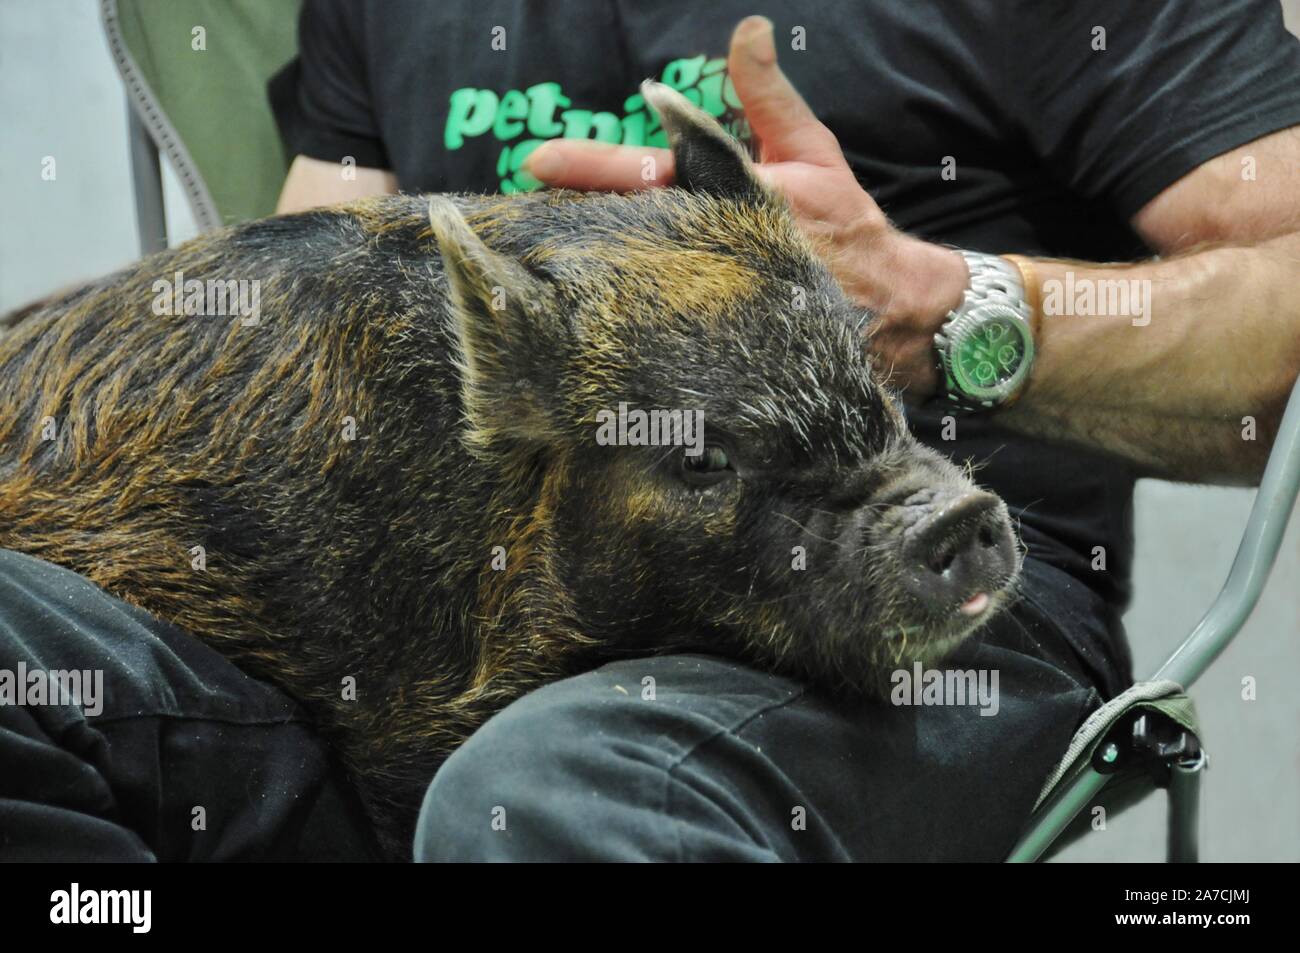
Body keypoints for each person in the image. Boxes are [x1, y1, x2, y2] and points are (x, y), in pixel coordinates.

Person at [3, 0, 1298, 861]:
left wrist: (946, 306)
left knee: (551, 791)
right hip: (423, 660)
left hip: (921, 628)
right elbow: (303, 307)